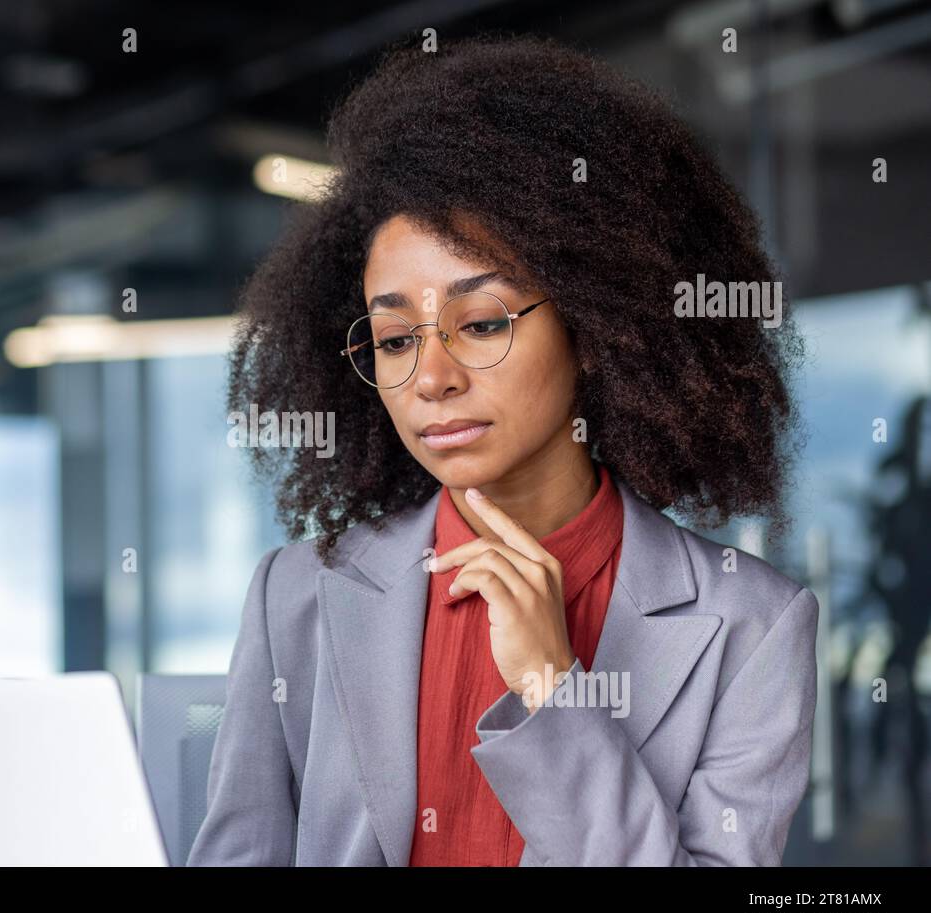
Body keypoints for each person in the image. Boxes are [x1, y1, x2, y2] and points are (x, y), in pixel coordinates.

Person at [187, 34, 817, 866]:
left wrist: (555, 689)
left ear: (596, 328)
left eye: (482, 323)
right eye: (392, 339)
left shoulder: (752, 627)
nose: (432, 377)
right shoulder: (294, 597)